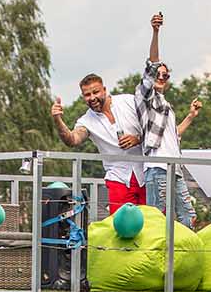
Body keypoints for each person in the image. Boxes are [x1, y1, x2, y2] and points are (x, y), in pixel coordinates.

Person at [136, 12, 200, 227]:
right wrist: (156, 32)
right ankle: (159, 259)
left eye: (166, 75)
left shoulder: (165, 104)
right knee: (157, 222)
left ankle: (180, 258)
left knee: (188, 218)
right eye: (159, 75)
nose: (161, 77)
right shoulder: (146, 96)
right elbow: (153, 63)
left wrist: (190, 117)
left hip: (175, 167)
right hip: (157, 167)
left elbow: (173, 136)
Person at [52, 76, 144, 212]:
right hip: (118, 177)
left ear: (105, 90)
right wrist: (57, 119)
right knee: (121, 225)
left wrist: (138, 138)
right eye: (87, 95)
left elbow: (153, 127)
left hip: (146, 171)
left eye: (96, 92)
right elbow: (72, 139)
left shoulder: (129, 101)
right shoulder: (86, 121)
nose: (92, 97)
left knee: (153, 222)